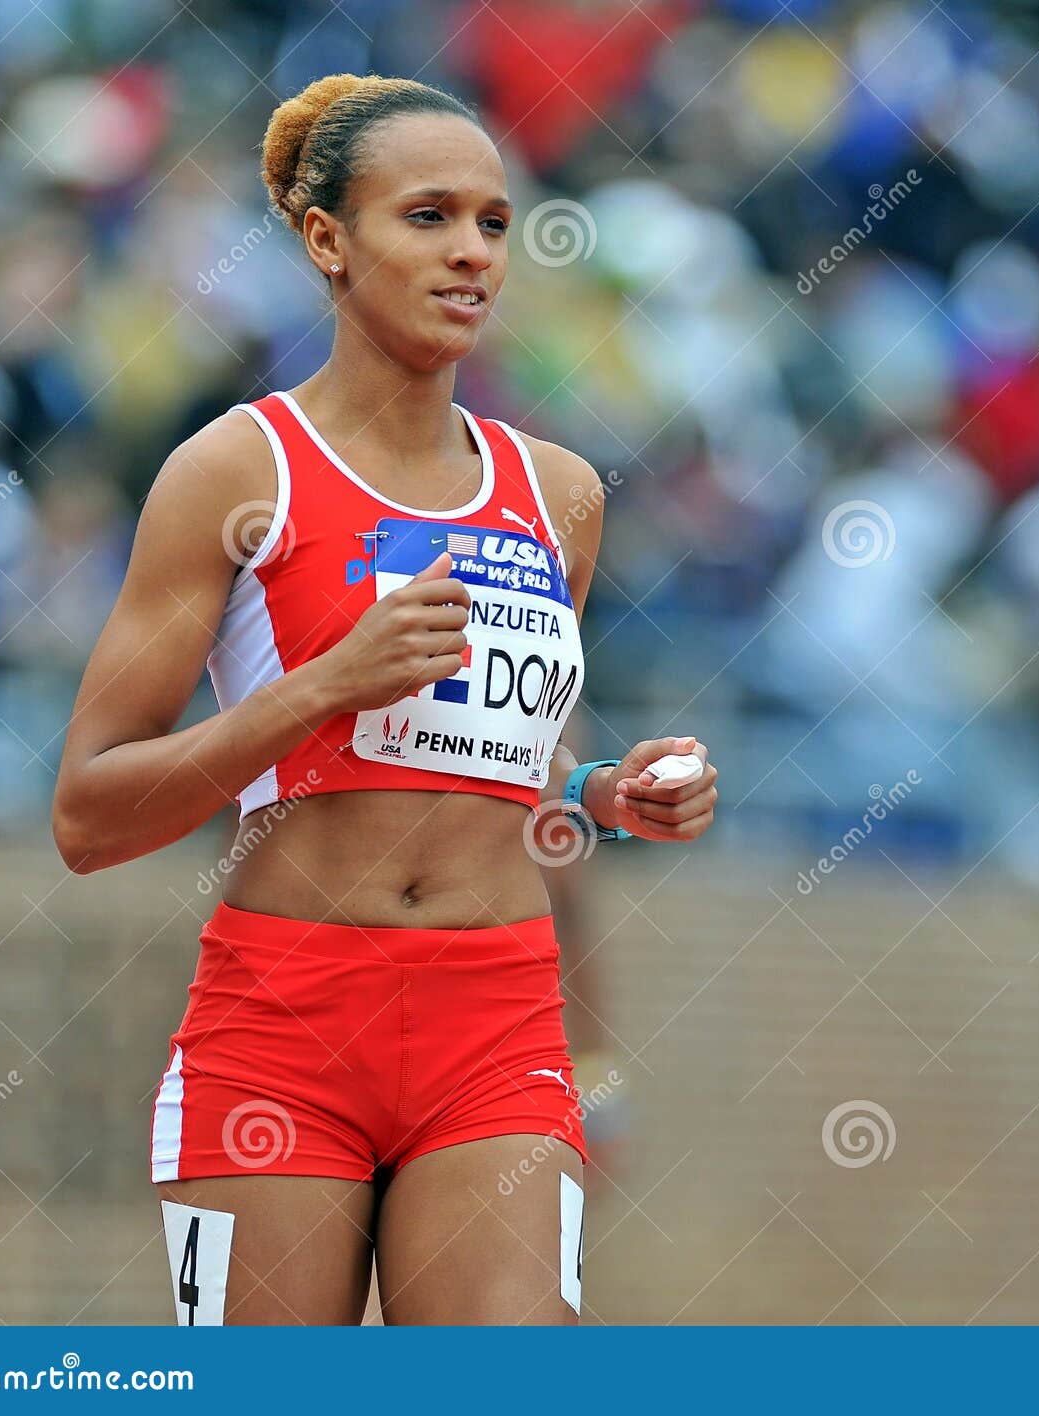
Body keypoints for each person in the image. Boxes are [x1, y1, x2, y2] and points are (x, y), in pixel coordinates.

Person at [50, 73, 719, 1326]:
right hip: (285, 1020)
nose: (471, 251)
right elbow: (89, 816)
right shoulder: (235, 471)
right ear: (327, 241)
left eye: (493, 221)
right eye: (427, 217)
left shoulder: (559, 492)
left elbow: (499, 754)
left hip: (496, 1017)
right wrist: (324, 687)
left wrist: (597, 791)